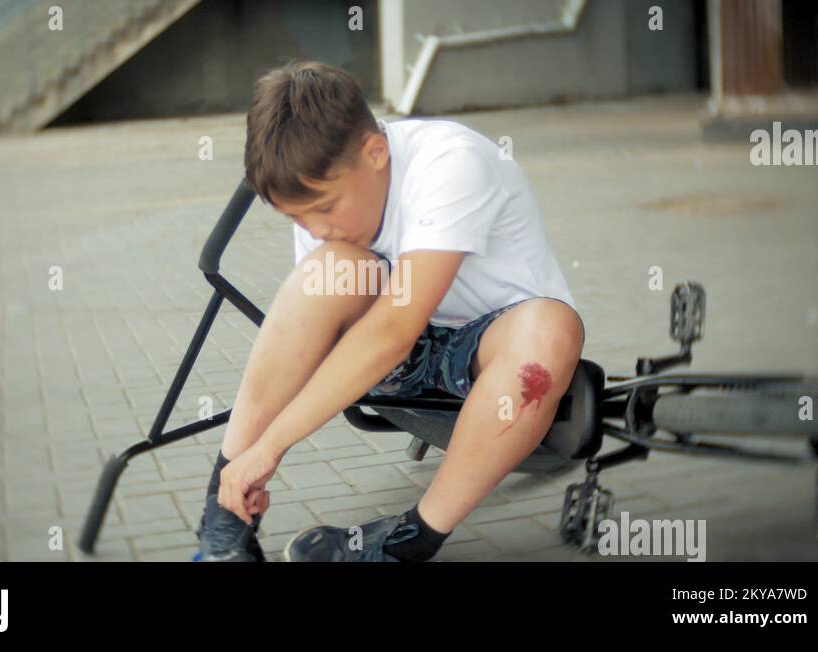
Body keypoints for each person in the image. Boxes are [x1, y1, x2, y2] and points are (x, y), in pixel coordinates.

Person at [193, 60, 584, 562]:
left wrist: (271, 448)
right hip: (393, 361)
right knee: (327, 270)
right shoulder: (323, 206)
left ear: (375, 152)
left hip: (491, 355)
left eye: (326, 208)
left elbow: (393, 329)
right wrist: (248, 462)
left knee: (549, 332)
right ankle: (224, 521)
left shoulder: (450, 162)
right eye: (296, 217)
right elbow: (330, 325)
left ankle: (405, 542)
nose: (312, 229)